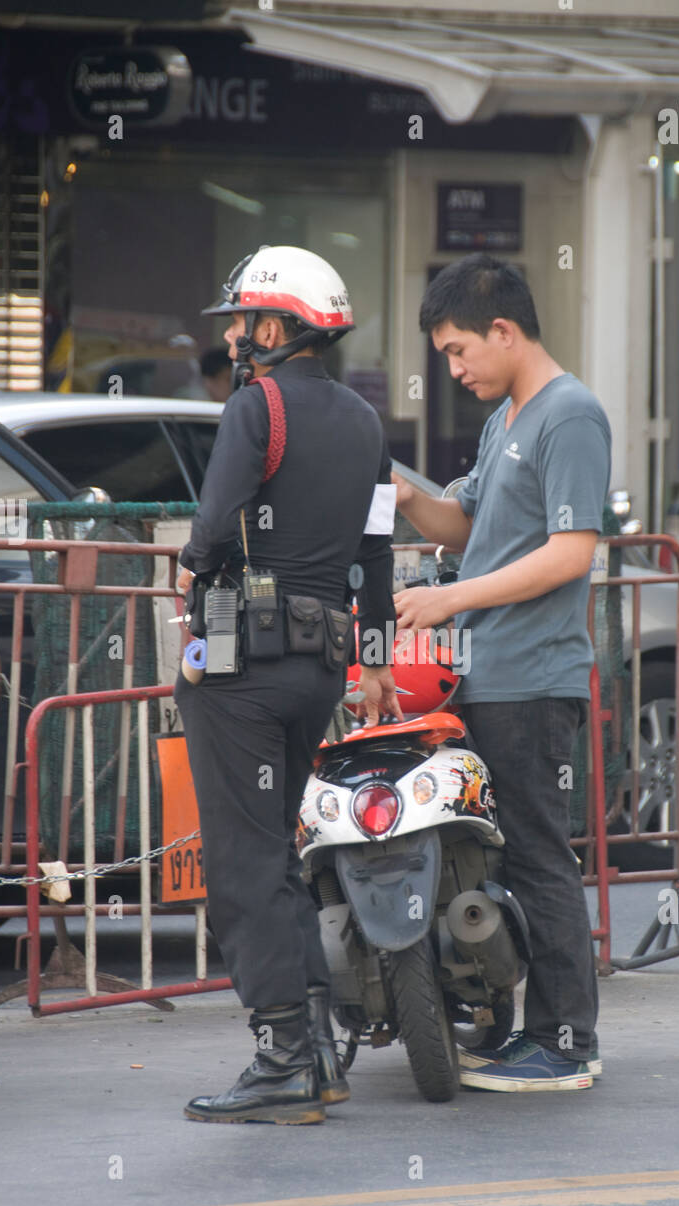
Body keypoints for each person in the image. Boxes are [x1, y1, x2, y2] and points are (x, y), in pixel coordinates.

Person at [174, 245, 402, 1125]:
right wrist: (374, 660)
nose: (232, 336)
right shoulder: (365, 424)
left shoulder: (253, 406)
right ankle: (311, 1053)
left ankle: (280, 1061)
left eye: (242, 320)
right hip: (321, 667)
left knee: (240, 862)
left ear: (281, 326)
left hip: (244, 668)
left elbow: (209, 530)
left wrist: (197, 573)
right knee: (275, 851)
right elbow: (374, 562)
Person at [393, 253, 611, 1094]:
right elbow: (472, 530)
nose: (453, 369)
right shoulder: (506, 417)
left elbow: (569, 552)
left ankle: (566, 1042)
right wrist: (409, 499)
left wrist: (450, 605)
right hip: (485, 678)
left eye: (457, 351)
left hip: (532, 679)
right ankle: (526, 1030)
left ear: (503, 330)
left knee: (537, 858)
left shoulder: (570, 416)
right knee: (497, 861)